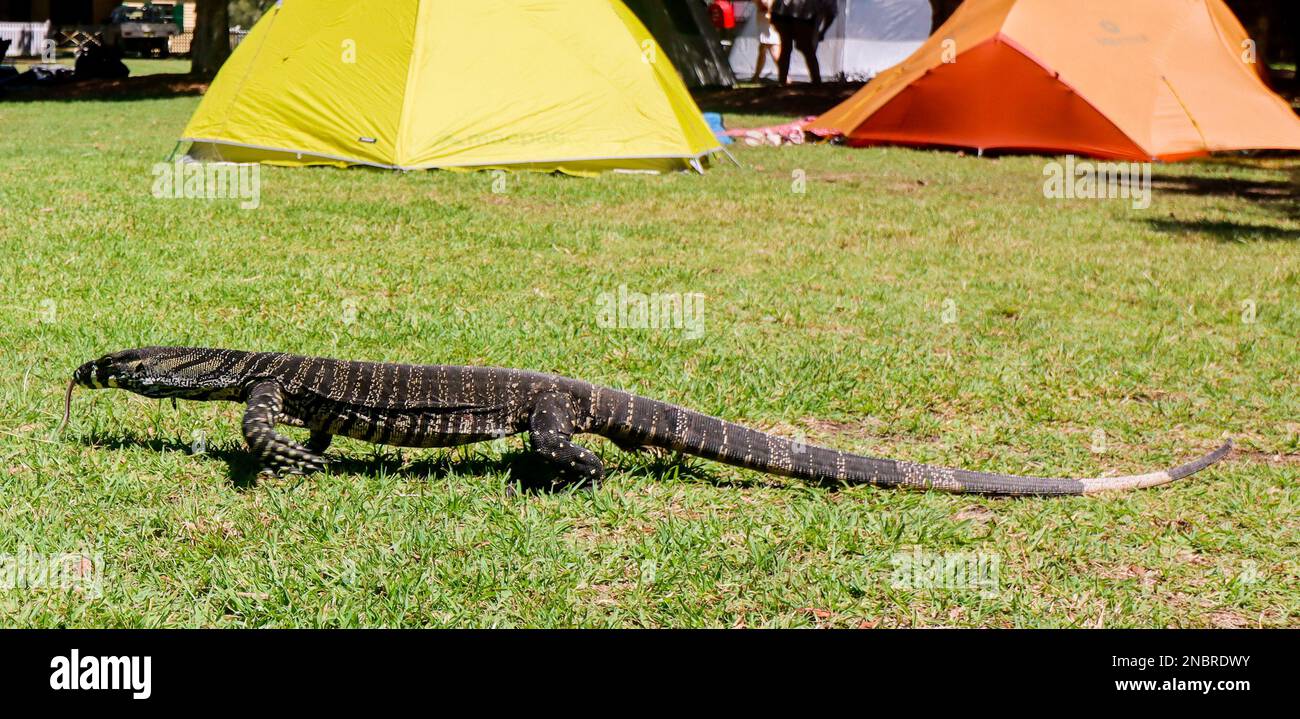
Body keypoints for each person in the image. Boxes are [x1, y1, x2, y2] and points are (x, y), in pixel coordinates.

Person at [770, 0, 838, 85]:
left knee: (788, 48)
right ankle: (816, 81)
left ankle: (782, 81)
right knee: (805, 49)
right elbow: (831, 13)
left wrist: (822, 31)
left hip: (783, 15)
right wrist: (822, 31)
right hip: (798, 16)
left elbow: (830, 13)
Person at [750, 1, 781, 82]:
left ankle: (785, 76)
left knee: (774, 51)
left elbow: (765, 5)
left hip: (769, 22)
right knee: (762, 50)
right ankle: (756, 77)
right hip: (764, 22)